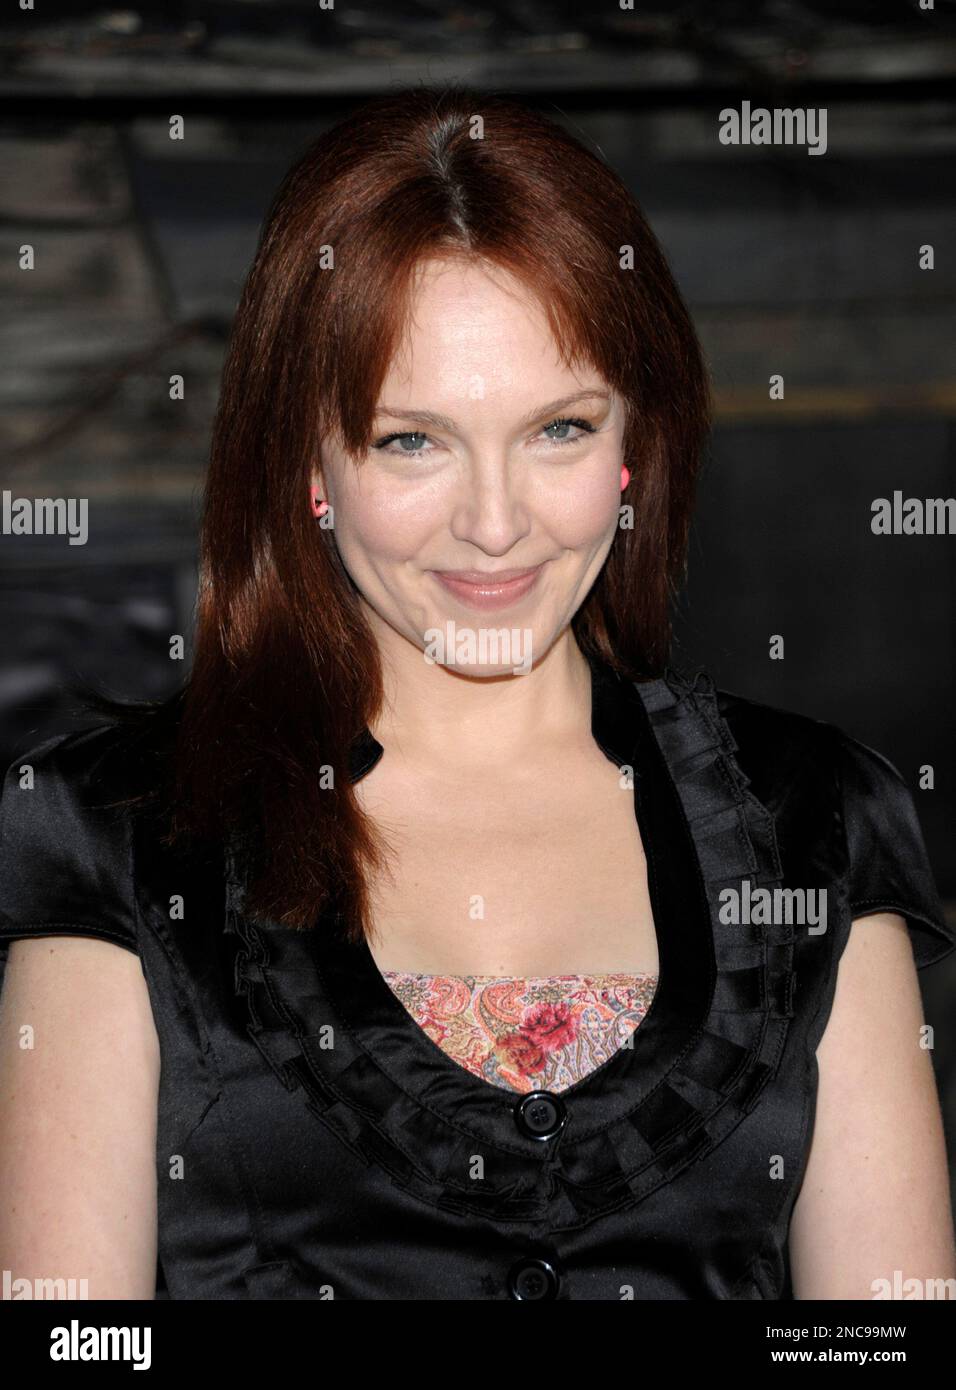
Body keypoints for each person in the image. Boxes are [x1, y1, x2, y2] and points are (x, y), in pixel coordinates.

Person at [1, 85, 954, 1303]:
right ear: (309, 465)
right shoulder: (116, 829)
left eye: (556, 429)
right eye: (412, 441)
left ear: (631, 450)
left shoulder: (813, 819)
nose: (494, 525)